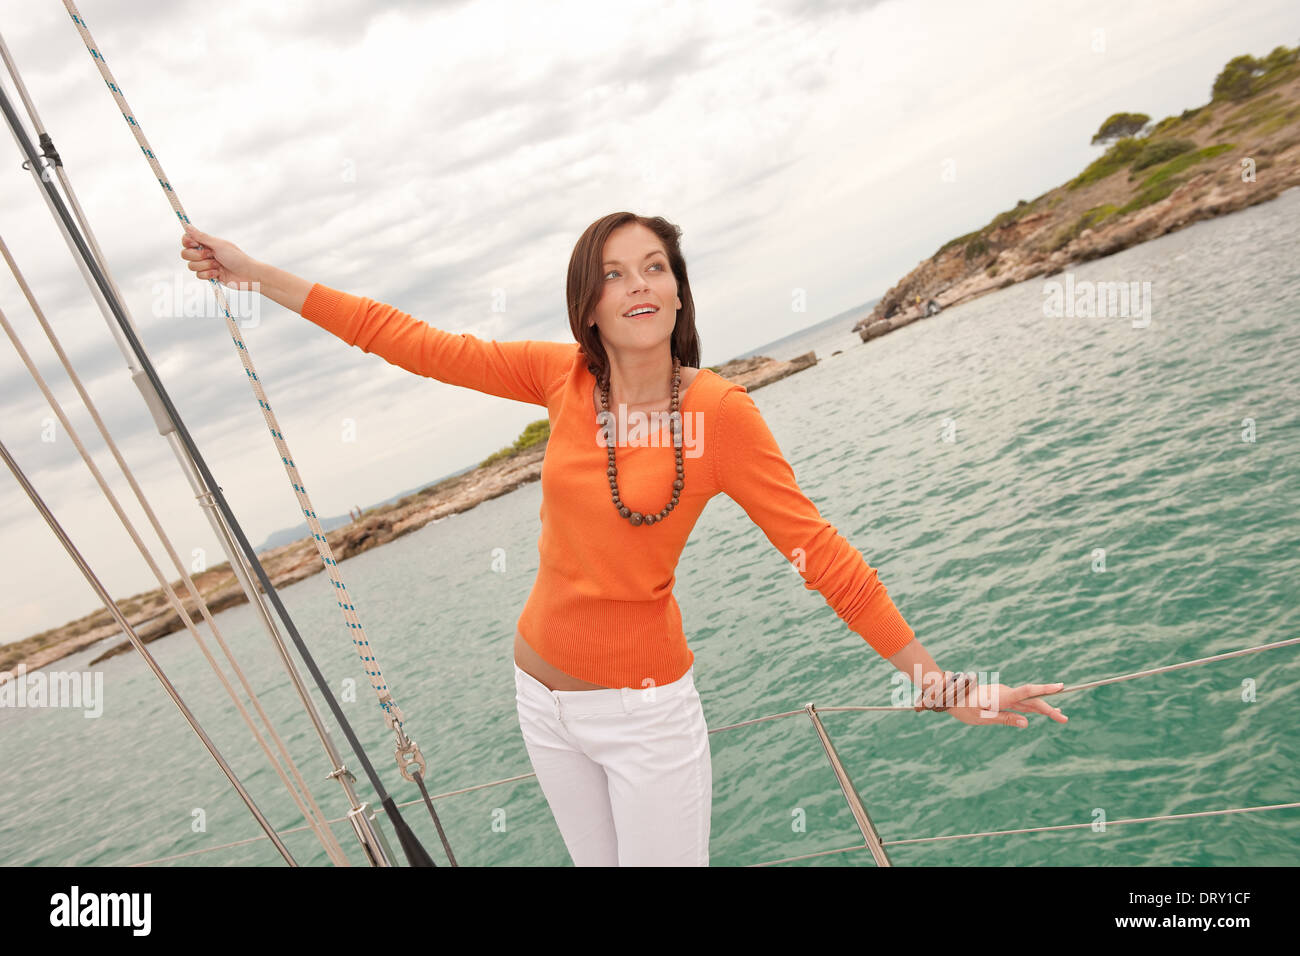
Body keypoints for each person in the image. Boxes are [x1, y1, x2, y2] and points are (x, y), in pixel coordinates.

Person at [179, 212, 1068, 867]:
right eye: (614, 273)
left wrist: (940, 681)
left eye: (654, 267)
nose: (638, 284)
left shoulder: (719, 414)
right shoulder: (561, 380)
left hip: (646, 718)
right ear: (589, 305)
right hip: (541, 701)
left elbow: (820, 556)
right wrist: (255, 274)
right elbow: (404, 340)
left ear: (677, 290)